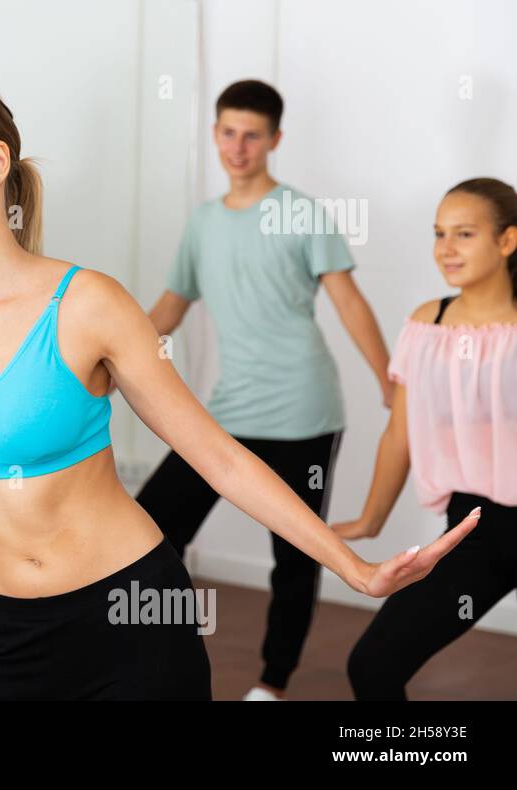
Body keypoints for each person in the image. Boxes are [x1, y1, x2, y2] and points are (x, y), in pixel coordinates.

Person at [0, 73, 479, 701]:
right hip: (15, 634)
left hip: (131, 620)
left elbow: (217, 458)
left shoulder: (85, 304)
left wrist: (357, 568)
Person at [136, 79, 393, 700]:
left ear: (275, 139)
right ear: (215, 134)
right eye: (228, 132)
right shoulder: (202, 223)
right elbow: (172, 304)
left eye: (252, 135)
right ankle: (147, 660)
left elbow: (349, 302)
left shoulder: (302, 212)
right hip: (227, 411)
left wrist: (391, 381)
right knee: (148, 534)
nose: (238, 146)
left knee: (296, 558)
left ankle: (271, 685)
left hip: (304, 411)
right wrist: (105, 357)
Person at [340, 178, 517, 700]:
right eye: (439, 233)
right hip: (475, 529)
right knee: (372, 666)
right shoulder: (427, 323)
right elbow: (400, 433)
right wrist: (371, 519)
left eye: (464, 233)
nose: (446, 248)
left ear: (507, 241)